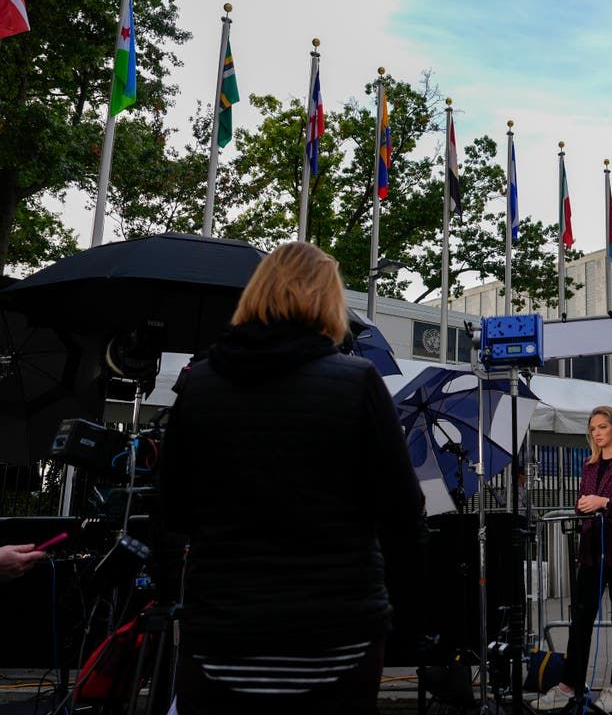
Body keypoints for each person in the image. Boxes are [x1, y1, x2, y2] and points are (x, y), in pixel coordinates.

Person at [162, 242, 425, 715]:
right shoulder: (358, 381)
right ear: (329, 301)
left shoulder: (199, 384)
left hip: (223, 636)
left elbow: (174, 510)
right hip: (336, 638)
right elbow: (404, 512)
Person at [535, 406, 612, 713]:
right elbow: (583, 502)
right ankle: (568, 685)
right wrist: (584, 504)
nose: (597, 433)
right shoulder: (589, 465)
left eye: (602, 427)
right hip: (591, 549)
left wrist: (604, 502)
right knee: (581, 619)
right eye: (593, 429)